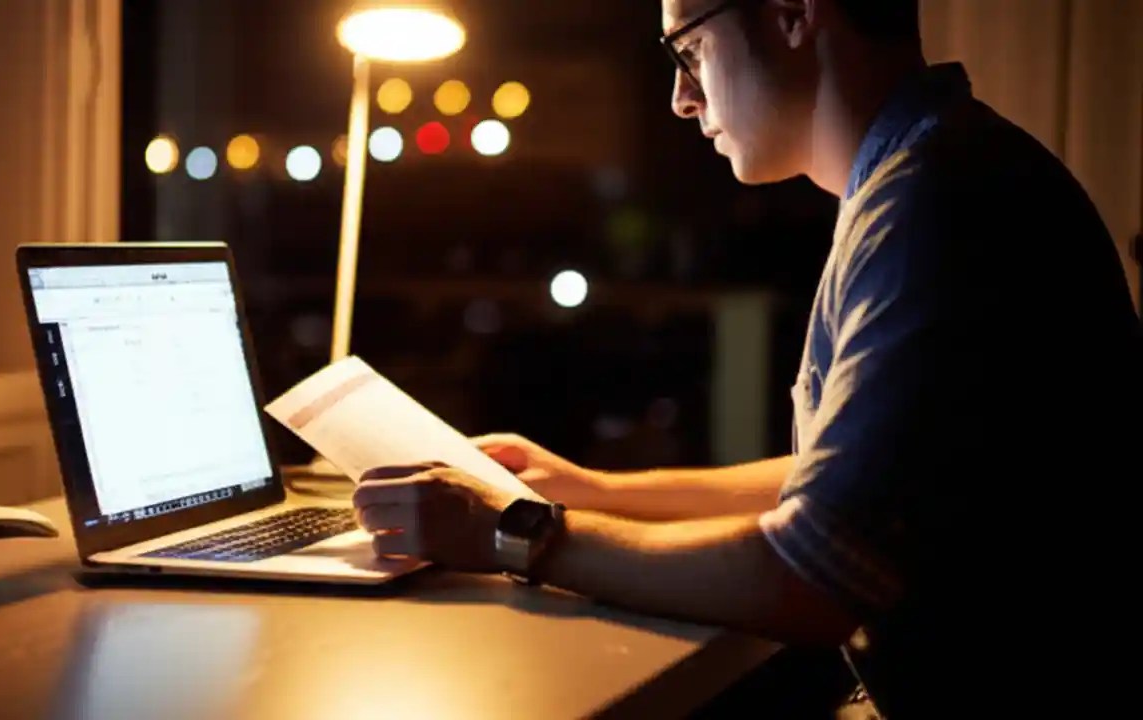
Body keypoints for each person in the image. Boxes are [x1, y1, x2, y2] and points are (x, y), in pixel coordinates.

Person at [352, 0, 1143, 716]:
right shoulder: (933, 171)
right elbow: (850, 493)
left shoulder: (932, 205)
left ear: (794, 12)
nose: (681, 97)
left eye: (689, 49)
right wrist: (594, 490)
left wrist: (512, 530)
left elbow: (815, 572)